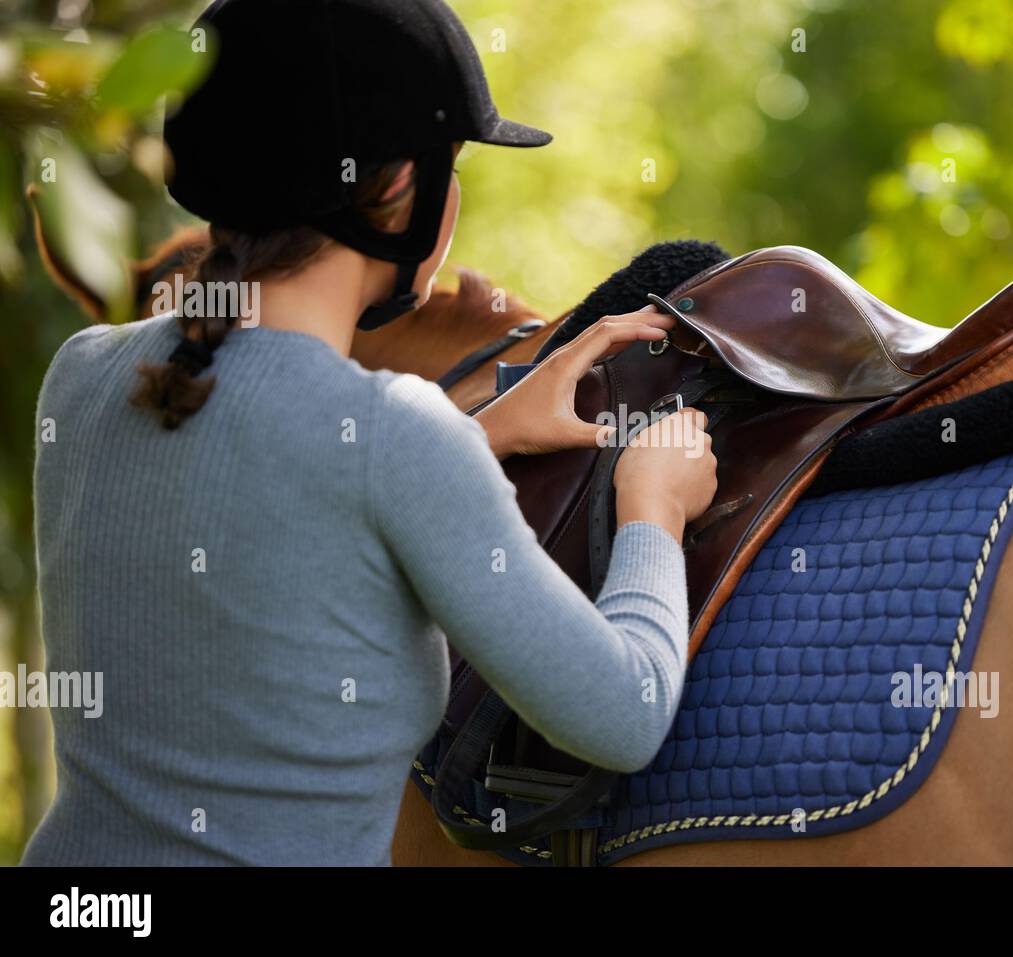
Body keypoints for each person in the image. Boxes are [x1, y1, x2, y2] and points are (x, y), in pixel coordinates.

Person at [21, 0, 716, 865]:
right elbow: (623, 715)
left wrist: (478, 435)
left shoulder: (81, 375)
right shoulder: (397, 437)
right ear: (395, 190)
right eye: (451, 163)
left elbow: (264, 494)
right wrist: (654, 503)